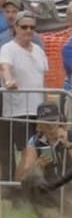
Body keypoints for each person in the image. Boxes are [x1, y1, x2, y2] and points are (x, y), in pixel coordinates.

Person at [16, 102, 72, 218]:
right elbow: (26, 170)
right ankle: (44, 217)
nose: (50, 126)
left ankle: (69, 216)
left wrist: (67, 145)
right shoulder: (34, 141)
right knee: (29, 181)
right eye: (46, 122)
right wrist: (38, 164)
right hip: (49, 186)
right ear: (39, 123)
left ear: (59, 120)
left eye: (53, 121)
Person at [0, 11, 47, 183]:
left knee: (39, 153)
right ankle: (15, 190)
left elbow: (43, 81)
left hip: (38, 112)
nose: (28, 30)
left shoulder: (39, 50)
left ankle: (24, 188)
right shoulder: (8, 48)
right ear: (16, 27)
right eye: (24, 27)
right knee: (28, 154)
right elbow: (5, 67)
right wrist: (9, 80)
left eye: (32, 27)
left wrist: (47, 108)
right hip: (18, 111)